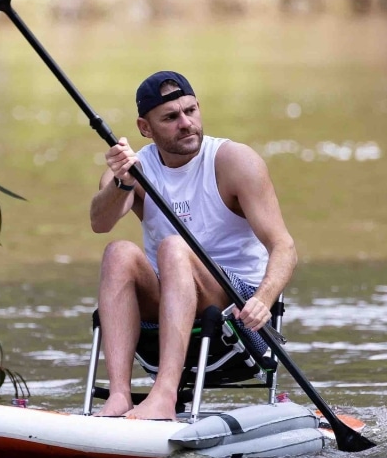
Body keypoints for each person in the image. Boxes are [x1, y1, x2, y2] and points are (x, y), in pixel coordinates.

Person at [89, 70, 297, 420]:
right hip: (168, 298)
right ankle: (120, 396)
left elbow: (284, 246)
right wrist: (122, 183)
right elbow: (100, 223)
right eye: (170, 117)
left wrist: (263, 299)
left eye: (191, 111)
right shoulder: (134, 169)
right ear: (145, 128)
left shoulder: (234, 161)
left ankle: (164, 396)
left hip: (236, 307)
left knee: (173, 247)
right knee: (118, 252)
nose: (186, 124)